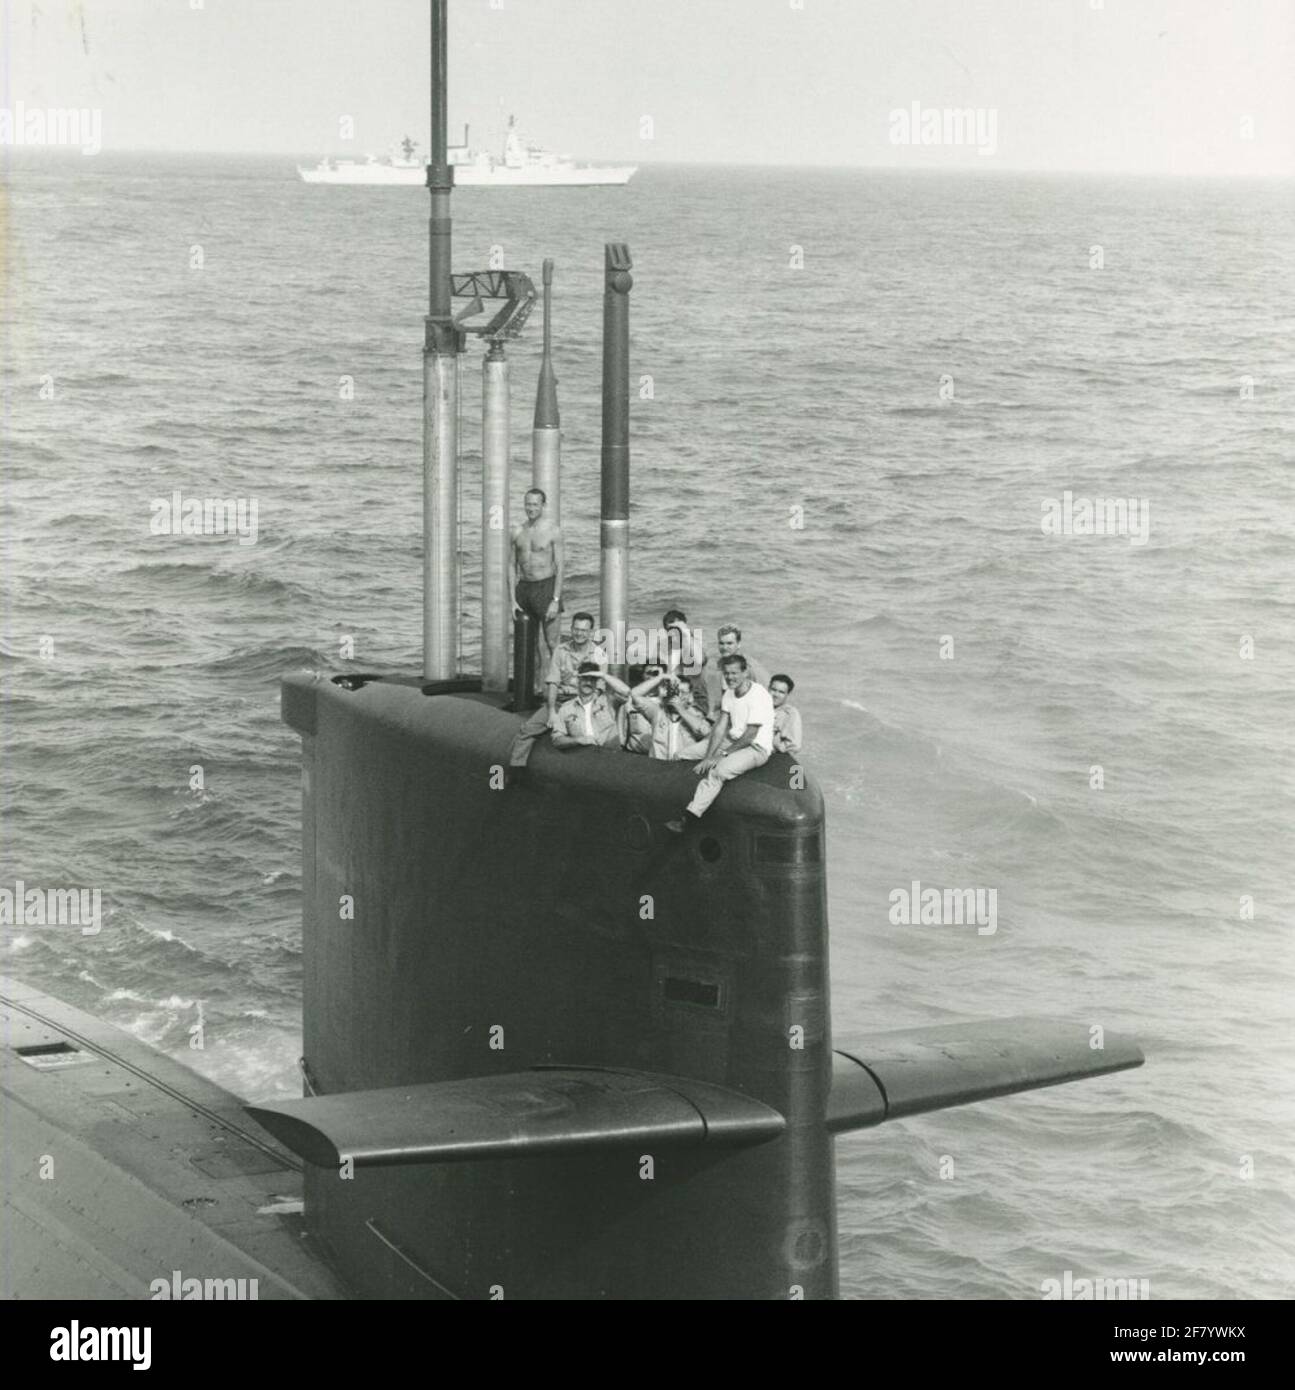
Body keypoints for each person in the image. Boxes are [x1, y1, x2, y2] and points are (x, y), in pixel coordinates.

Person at [666, 654, 773, 830]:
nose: (730, 677)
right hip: (733, 740)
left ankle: (689, 820)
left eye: (734, 673)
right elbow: (720, 728)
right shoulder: (730, 694)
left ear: (745, 672)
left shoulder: (759, 695)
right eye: (727, 673)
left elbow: (750, 735)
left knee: (719, 772)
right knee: (682, 755)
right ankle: (674, 801)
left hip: (755, 748)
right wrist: (708, 756)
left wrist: (720, 756)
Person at [508, 611, 606, 772]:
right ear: (571, 628)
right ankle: (516, 771)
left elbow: (599, 689)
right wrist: (552, 712)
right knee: (526, 731)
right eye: (576, 629)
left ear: (591, 632)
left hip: (584, 702)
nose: (579, 634)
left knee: (592, 734)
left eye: (583, 630)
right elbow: (553, 683)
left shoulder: (599, 655)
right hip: (560, 700)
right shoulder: (561, 650)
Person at [510, 487, 564, 693]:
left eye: (535, 504)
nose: (530, 508)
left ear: (543, 506)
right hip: (524, 588)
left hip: (546, 587)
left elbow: (560, 567)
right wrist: (512, 600)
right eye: (528, 504)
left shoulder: (553, 530)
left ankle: (557, 688)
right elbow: (510, 566)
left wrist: (556, 599)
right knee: (529, 644)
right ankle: (535, 688)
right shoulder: (517, 531)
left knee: (552, 643)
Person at [603, 667, 713, 761]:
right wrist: (660, 677)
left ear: (690, 696)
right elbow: (634, 695)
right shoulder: (658, 712)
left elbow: (706, 732)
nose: (678, 696)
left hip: (683, 769)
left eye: (683, 693)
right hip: (658, 768)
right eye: (675, 692)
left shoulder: (696, 715)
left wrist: (680, 709)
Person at [551, 663, 620, 749]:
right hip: (585, 756)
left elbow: (626, 693)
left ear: (597, 682)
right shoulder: (566, 708)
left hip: (611, 754)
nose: (588, 683)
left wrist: (603, 675)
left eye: (592, 679)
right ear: (578, 680)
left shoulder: (608, 701)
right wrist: (578, 740)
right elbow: (557, 740)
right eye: (585, 679)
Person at [662, 609, 712, 717]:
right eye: (669, 630)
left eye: (676, 629)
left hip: (695, 704)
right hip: (672, 701)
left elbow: (699, 660)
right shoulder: (667, 649)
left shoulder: (695, 644)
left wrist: (685, 632)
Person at [769, 674, 802, 755]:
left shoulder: (790, 714)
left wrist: (773, 745)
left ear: (787, 694)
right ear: (768, 688)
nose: (776, 695)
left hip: (774, 756)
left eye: (781, 692)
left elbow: (794, 746)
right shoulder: (757, 706)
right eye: (773, 690)